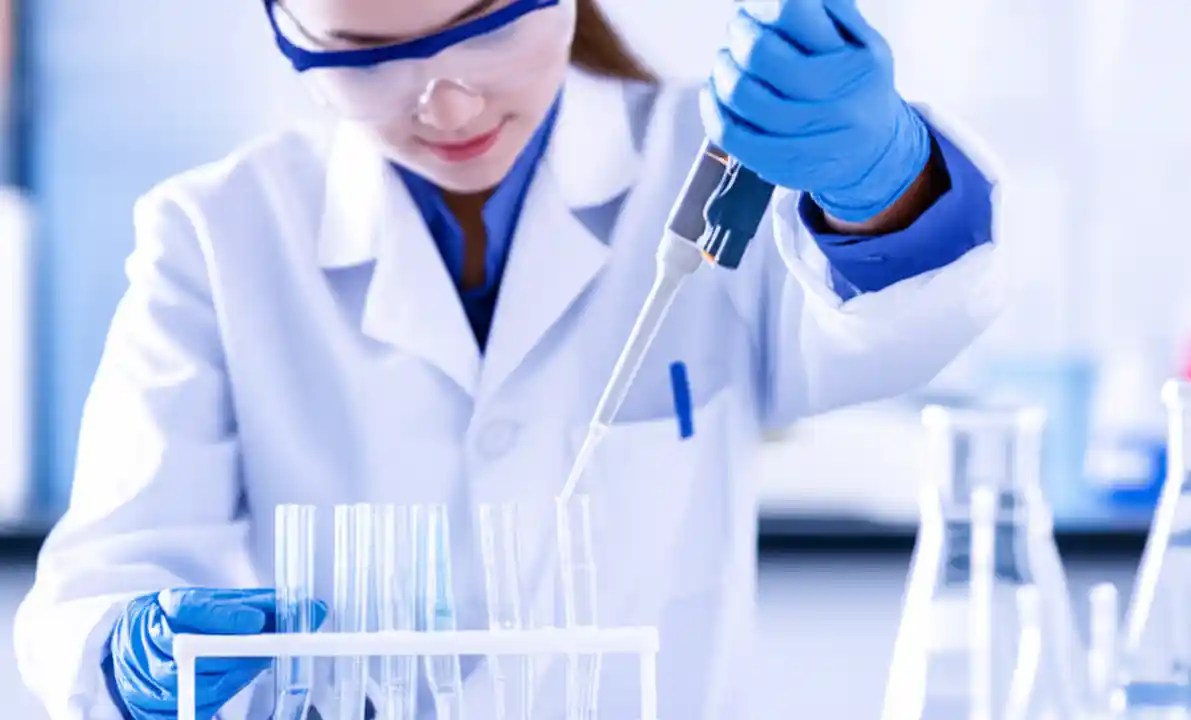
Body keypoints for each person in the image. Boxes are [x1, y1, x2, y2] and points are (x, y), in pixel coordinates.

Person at [16, 0, 1001, 717]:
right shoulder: (218, 233)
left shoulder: (702, 165)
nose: (444, 108)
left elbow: (900, 331)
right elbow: (100, 584)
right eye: (367, 53)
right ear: (283, 32)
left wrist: (881, 180)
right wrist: (130, 650)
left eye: (482, 24)